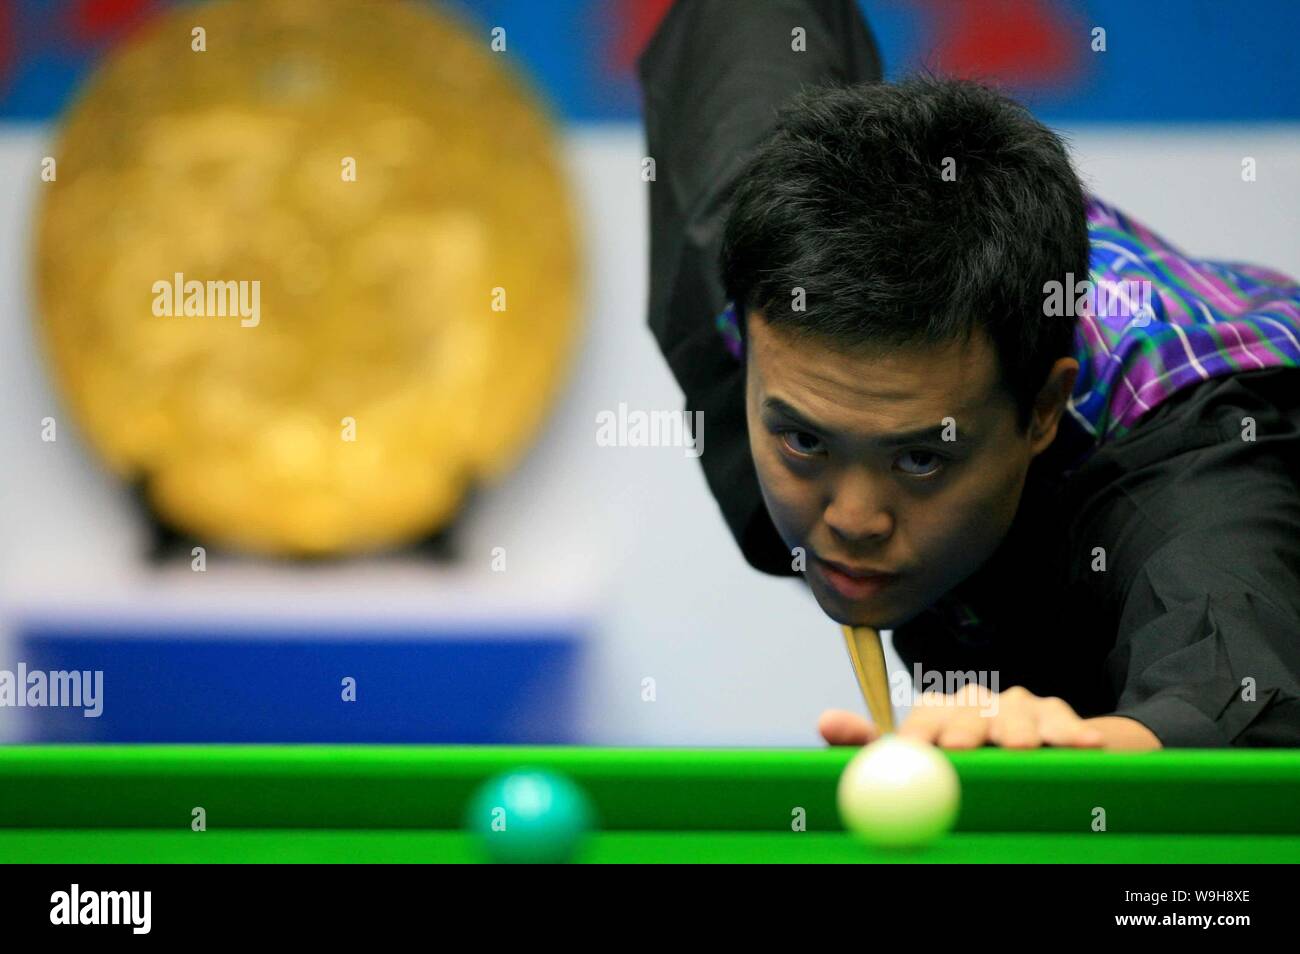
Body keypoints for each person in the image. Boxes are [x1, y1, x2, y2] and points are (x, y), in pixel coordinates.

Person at [638, 0, 1300, 748]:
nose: (855, 519)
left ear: (1044, 408)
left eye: (921, 457)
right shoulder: (747, 260)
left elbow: (1243, 682)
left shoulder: (1191, 457)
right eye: (803, 442)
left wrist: (1119, 752)